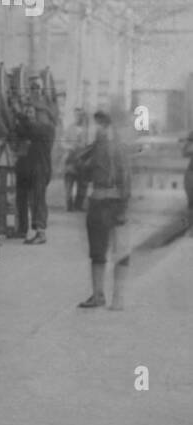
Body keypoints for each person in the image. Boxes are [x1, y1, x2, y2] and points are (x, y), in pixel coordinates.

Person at [76, 110, 131, 309]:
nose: (99, 129)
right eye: (97, 124)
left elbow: (126, 177)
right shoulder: (95, 148)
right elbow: (81, 170)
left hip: (115, 203)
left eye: (103, 124)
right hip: (98, 203)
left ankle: (118, 298)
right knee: (97, 252)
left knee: (121, 251)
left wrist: (124, 206)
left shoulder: (119, 148)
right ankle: (98, 295)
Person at [17, 85, 57, 244]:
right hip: (28, 167)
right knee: (23, 198)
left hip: (40, 168)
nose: (31, 114)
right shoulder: (32, 127)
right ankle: (22, 229)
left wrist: (19, 113)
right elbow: (19, 131)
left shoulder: (47, 129)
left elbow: (31, 129)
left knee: (38, 199)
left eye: (34, 112)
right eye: (29, 112)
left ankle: (41, 233)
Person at [63, 108, 89, 211]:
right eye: (77, 115)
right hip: (71, 159)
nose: (79, 118)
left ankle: (79, 205)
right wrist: (69, 147)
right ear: (74, 116)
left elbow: (90, 144)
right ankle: (69, 205)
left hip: (82, 159)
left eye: (81, 115)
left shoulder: (87, 130)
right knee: (69, 182)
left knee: (82, 183)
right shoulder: (70, 128)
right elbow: (63, 142)